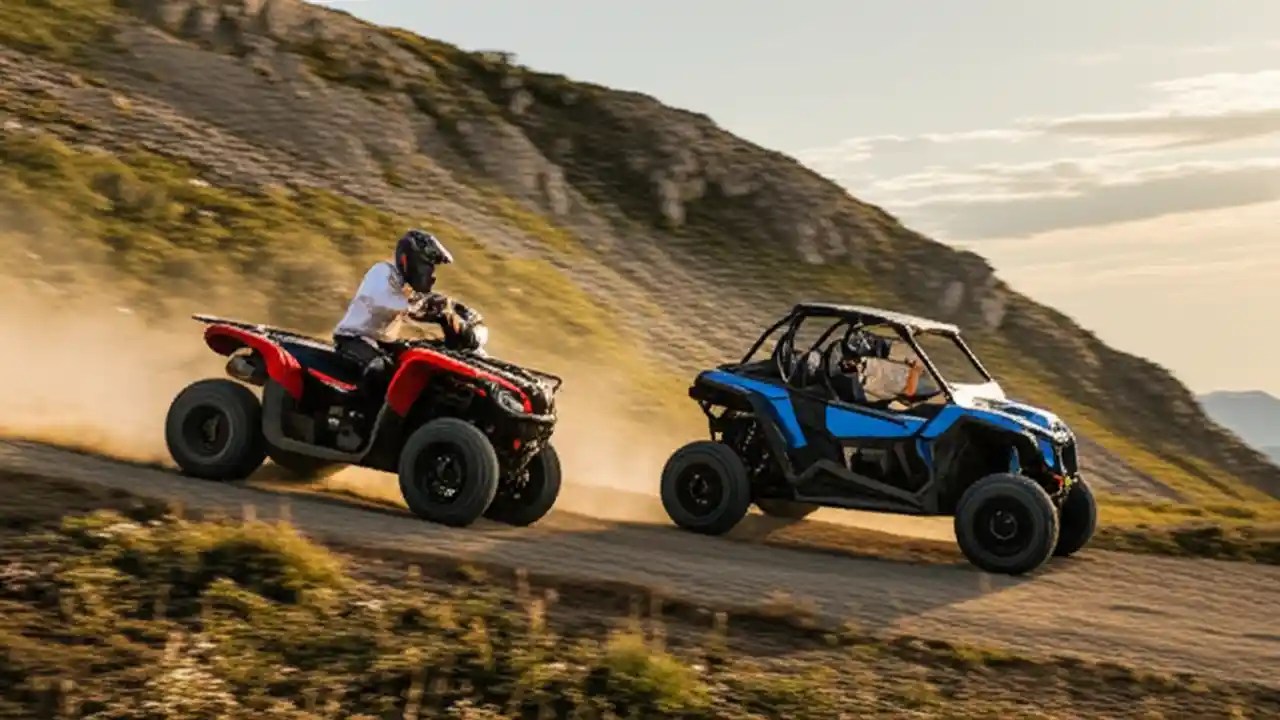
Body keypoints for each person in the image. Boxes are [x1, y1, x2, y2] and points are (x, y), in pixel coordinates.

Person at [332, 229, 487, 403]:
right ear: (408, 261)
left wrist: (457, 315)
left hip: (383, 342)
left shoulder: (408, 289)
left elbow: (438, 305)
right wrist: (419, 307)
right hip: (353, 339)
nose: (432, 275)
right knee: (380, 370)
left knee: (421, 357)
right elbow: (385, 301)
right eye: (428, 267)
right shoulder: (382, 272)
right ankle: (361, 413)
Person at [835, 330, 926, 406]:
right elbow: (909, 391)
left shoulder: (870, 366)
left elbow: (909, 392)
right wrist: (914, 371)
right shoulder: (869, 381)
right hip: (911, 378)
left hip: (908, 372)